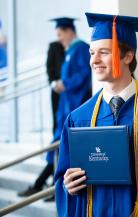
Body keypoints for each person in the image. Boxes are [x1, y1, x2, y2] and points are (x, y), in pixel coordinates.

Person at [54, 12, 138, 217]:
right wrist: (68, 186)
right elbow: (64, 176)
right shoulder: (78, 117)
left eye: (104, 52)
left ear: (128, 55)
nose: (94, 60)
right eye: (91, 53)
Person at [17, 17, 92, 201]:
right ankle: (49, 187)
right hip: (65, 107)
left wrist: (64, 83)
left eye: (60, 34)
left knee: (60, 148)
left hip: (74, 106)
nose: (59, 39)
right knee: (57, 148)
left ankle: (49, 188)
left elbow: (83, 74)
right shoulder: (70, 50)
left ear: (69, 31)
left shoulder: (80, 48)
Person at [47, 41, 65, 135]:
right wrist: (54, 83)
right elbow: (49, 67)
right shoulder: (55, 46)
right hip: (57, 89)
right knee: (57, 117)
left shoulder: (78, 48)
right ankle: (56, 147)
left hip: (71, 90)